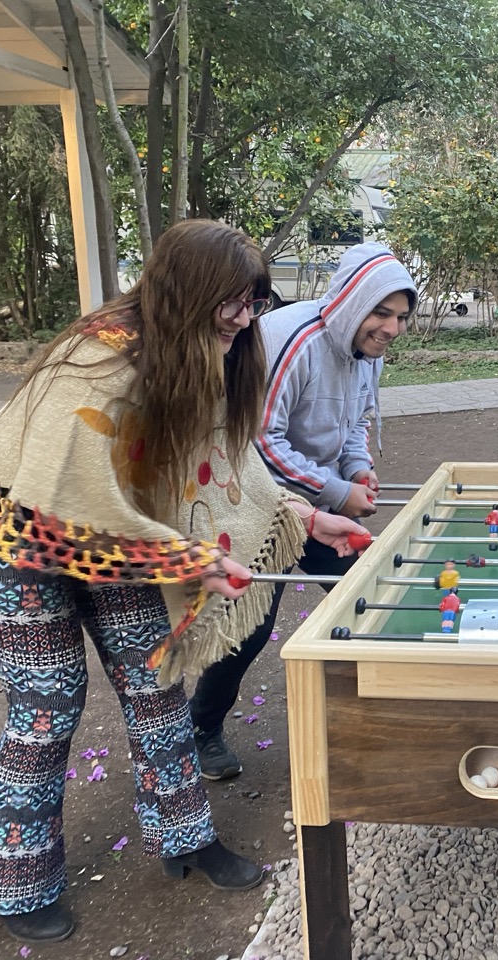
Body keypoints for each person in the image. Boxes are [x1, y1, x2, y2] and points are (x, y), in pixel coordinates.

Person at [0, 220, 368, 943]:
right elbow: (65, 499)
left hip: (118, 532)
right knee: (49, 699)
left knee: (153, 678)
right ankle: (12, 880)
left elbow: (225, 469)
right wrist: (188, 558)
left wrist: (307, 518)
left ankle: (185, 839)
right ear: (185, 291)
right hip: (1, 528)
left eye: (254, 301)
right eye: (231, 302)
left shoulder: (202, 352)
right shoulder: (99, 359)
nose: (245, 318)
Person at [187, 242, 416, 779]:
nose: (392, 328)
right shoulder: (292, 341)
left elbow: (357, 422)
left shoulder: (367, 351)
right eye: (382, 313)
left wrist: (357, 469)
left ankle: (390, 708)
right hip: (257, 499)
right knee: (250, 626)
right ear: (353, 303)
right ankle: (201, 729)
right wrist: (336, 490)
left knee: (368, 589)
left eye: (401, 317)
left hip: (320, 499)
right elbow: (259, 444)